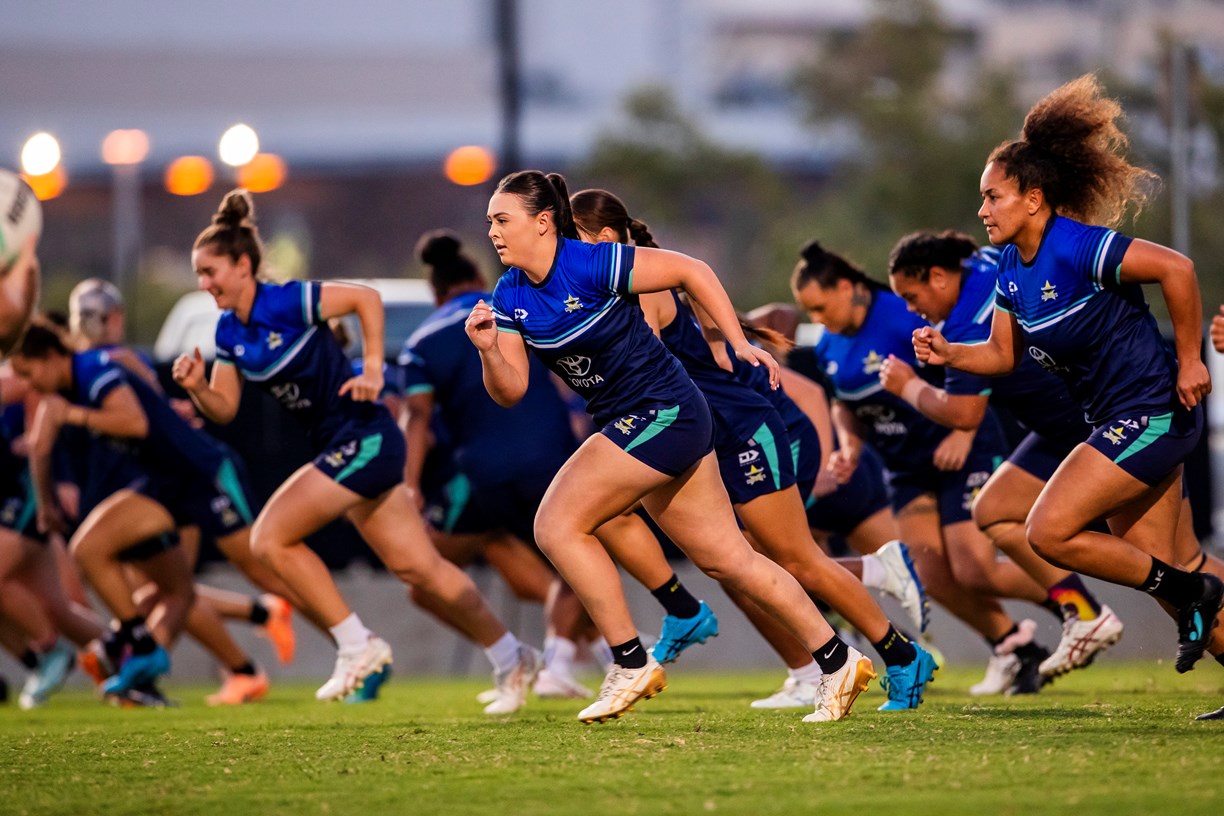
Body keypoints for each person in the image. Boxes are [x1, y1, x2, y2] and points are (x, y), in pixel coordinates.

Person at [469, 169, 875, 724]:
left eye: (501, 218)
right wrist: (490, 350)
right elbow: (510, 390)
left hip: (666, 412)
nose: (491, 229)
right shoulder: (509, 294)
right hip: (645, 420)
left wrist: (737, 342)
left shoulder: (589, 262)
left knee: (556, 524)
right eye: (490, 220)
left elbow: (692, 269)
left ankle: (631, 661)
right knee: (729, 559)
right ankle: (837, 661)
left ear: (543, 223)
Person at [569, 187, 935, 712]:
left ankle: (895, 655)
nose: (568, 259)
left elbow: (640, 361)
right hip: (707, 438)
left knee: (794, 558)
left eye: (573, 242)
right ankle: (696, 615)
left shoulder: (637, 288)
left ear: (605, 239)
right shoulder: (629, 284)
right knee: (731, 555)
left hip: (745, 431)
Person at [174, 189, 541, 712]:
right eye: (199, 274)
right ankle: (512, 656)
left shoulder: (284, 301)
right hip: (344, 445)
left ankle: (356, 645)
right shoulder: (230, 332)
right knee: (423, 571)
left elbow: (365, 300)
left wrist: (372, 368)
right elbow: (225, 409)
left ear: (242, 265)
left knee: (270, 538)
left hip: (364, 437)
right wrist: (196, 386)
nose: (205, 284)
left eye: (211, 272)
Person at [911, 74, 1223, 687]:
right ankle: (1195, 588)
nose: (981, 209)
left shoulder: (1076, 246)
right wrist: (949, 351)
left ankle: (1195, 591)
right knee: (1170, 561)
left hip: (1153, 411)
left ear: (1032, 198)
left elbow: (1178, 270)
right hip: (1116, 420)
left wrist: (1191, 360)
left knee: (1048, 530)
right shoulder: (1009, 266)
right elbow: (1001, 355)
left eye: (992, 196)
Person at [792, 241, 1054, 696]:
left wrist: (963, 433)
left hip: (960, 452)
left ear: (849, 287)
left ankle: (1076, 609)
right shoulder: (829, 345)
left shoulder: (904, 314)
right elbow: (843, 404)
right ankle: (1014, 647)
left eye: (820, 306)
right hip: (907, 469)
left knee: (975, 569)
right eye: (808, 311)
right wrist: (850, 446)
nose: (818, 318)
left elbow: (967, 367)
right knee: (930, 574)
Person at [884, 229, 1125, 679]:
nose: (910, 308)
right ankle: (1086, 614)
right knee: (993, 512)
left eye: (912, 295)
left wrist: (907, 387)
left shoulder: (962, 323)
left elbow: (962, 413)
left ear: (939, 277)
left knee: (1161, 556)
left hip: (1089, 424)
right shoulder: (992, 260)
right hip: (1065, 426)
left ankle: (1110, 605)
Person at [400, 229, 597, 699]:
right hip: (550, 461)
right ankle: (562, 657)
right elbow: (573, 377)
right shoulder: (514, 306)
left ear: (436, 292)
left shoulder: (423, 343)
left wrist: (409, 487)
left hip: (480, 480)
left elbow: (416, 420)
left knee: (422, 574)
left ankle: (510, 654)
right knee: (581, 557)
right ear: (478, 278)